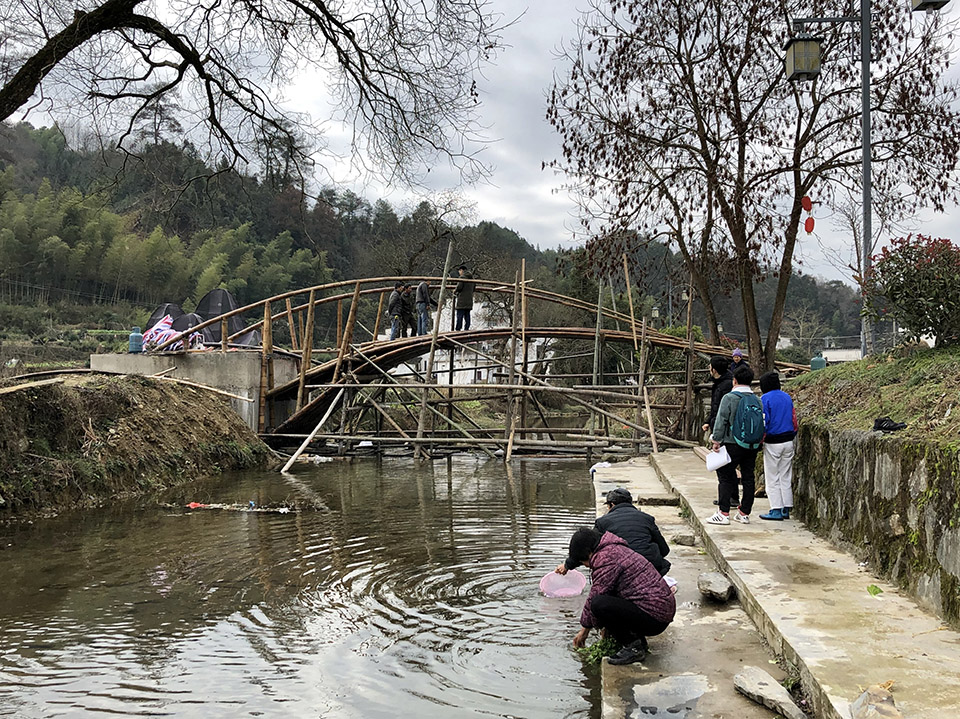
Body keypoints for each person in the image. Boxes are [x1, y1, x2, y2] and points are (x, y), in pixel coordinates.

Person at [568, 527, 676, 666]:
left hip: (655, 617)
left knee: (598, 604)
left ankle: (633, 647)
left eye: (584, 562)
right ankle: (638, 641)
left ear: (589, 553)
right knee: (608, 599)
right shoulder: (615, 548)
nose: (587, 566)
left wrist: (584, 631)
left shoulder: (606, 559)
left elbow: (595, 596)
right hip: (661, 609)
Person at [557, 488, 671, 576]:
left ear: (612, 504)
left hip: (622, 571)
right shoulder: (647, 518)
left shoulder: (602, 522)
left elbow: (588, 547)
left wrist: (567, 565)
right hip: (651, 569)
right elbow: (664, 550)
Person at [707, 364, 761, 525]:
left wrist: (716, 440)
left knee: (725, 476)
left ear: (734, 380)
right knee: (748, 477)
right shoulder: (757, 399)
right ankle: (744, 513)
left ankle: (723, 513)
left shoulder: (729, 398)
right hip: (751, 445)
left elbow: (721, 420)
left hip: (731, 443)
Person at [758, 371, 797, 521]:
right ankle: (786, 507)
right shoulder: (787, 397)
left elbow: (764, 422)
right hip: (788, 441)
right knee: (785, 475)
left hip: (773, 442)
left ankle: (775, 509)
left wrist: (760, 440)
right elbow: (794, 419)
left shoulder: (765, 399)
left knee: (772, 477)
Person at [703, 355, 735, 507]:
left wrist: (717, 432)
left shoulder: (726, 385)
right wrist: (708, 421)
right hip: (718, 426)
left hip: (724, 431)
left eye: (710, 366)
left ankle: (729, 499)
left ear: (714, 369)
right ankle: (729, 497)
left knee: (724, 467)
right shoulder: (720, 383)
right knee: (724, 466)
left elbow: (723, 412)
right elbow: (715, 408)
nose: (709, 368)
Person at [453, 265, 474, 331]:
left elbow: (459, 287)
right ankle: (466, 328)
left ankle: (458, 329)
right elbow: (474, 289)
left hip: (462, 300)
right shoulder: (472, 279)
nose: (459, 272)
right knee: (467, 315)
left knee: (460, 316)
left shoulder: (462, 278)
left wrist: (455, 291)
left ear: (461, 270)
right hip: (469, 300)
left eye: (459, 271)